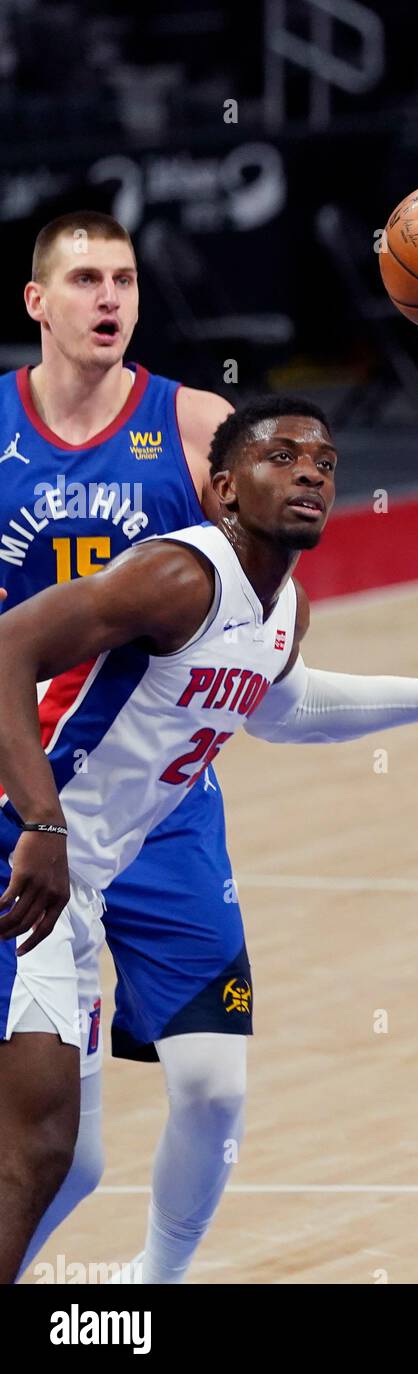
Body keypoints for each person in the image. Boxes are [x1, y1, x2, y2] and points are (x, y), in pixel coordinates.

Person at [0, 395, 418, 1283]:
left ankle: (148, 1288)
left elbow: (289, 707)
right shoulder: (179, 577)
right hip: (18, 851)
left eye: (327, 462)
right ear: (223, 488)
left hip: (82, 878)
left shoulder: (282, 610)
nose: (310, 472)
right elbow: (5, 649)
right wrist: (38, 820)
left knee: (65, 1161)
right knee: (37, 1148)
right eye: (283, 456)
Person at [0, 208, 253, 1282]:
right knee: (67, 1152)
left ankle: (151, 1292)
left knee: (211, 1089)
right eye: (88, 279)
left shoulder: (199, 428)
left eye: (127, 280)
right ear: (38, 303)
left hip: (163, 810)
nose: (111, 299)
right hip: (29, 808)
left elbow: (260, 610)